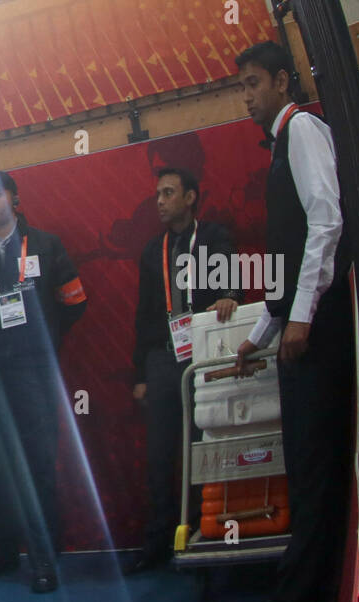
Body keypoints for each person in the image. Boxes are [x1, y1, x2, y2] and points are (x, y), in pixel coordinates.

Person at [218, 41, 354, 602]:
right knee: (306, 470)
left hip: (319, 339)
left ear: (280, 80)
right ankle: (296, 595)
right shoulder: (281, 144)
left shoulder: (301, 130)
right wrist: (260, 336)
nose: (246, 96)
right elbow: (289, 259)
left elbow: (327, 223)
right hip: (301, 333)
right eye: (241, 86)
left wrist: (300, 321)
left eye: (252, 83)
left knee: (314, 472)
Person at [0, 169, 87, 593]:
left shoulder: (45, 245)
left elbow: (75, 301)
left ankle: (44, 556)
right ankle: (2, 552)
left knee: (39, 463)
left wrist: (43, 339)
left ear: (14, 198)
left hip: (35, 371)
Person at [125, 167, 239, 574]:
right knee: (160, 455)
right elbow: (144, 315)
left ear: (190, 197)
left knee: (202, 448)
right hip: (162, 358)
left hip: (204, 353)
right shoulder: (151, 250)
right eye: (157, 193)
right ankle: (159, 540)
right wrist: (140, 374)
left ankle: (200, 534)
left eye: (169, 192)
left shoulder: (214, 238)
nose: (159, 200)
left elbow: (232, 285)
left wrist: (228, 297)